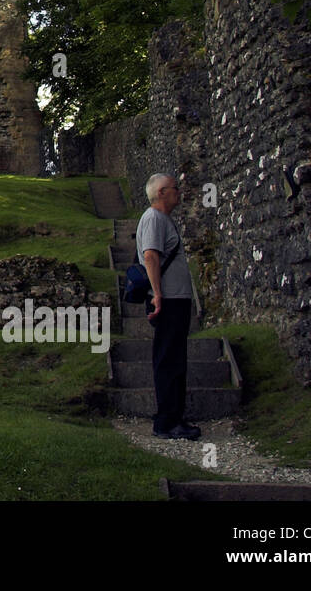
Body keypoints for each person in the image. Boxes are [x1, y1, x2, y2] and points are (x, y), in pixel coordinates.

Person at [138, 172, 200, 441]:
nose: (180, 191)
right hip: (168, 300)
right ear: (161, 192)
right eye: (175, 188)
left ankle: (174, 417)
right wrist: (158, 295)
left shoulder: (162, 219)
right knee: (168, 360)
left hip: (175, 298)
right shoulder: (153, 218)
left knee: (174, 359)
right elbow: (150, 255)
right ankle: (166, 422)